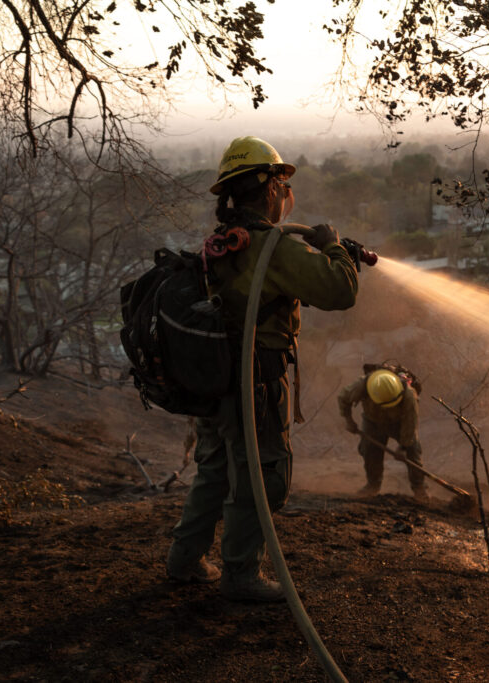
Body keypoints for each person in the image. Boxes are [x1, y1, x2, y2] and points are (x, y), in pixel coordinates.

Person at [165, 136, 359, 603]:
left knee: (215, 470)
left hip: (214, 381)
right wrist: (333, 247)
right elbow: (340, 290)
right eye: (281, 185)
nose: (285, 195)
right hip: (255, 384)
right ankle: (240, 576)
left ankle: (184, 560)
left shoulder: (222, 244)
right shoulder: (272, 247)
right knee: (262, 475)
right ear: (270, 188)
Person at [337, 365, 427, 501]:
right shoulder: (363, 385)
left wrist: (403, 447)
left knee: (413, 450)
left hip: (399, 424)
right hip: (372, 422)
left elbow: (410, 424)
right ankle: (372, 485)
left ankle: (419, 488)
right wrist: (349, 420)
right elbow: (343, 398)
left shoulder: (409, 395)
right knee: (369, 450)